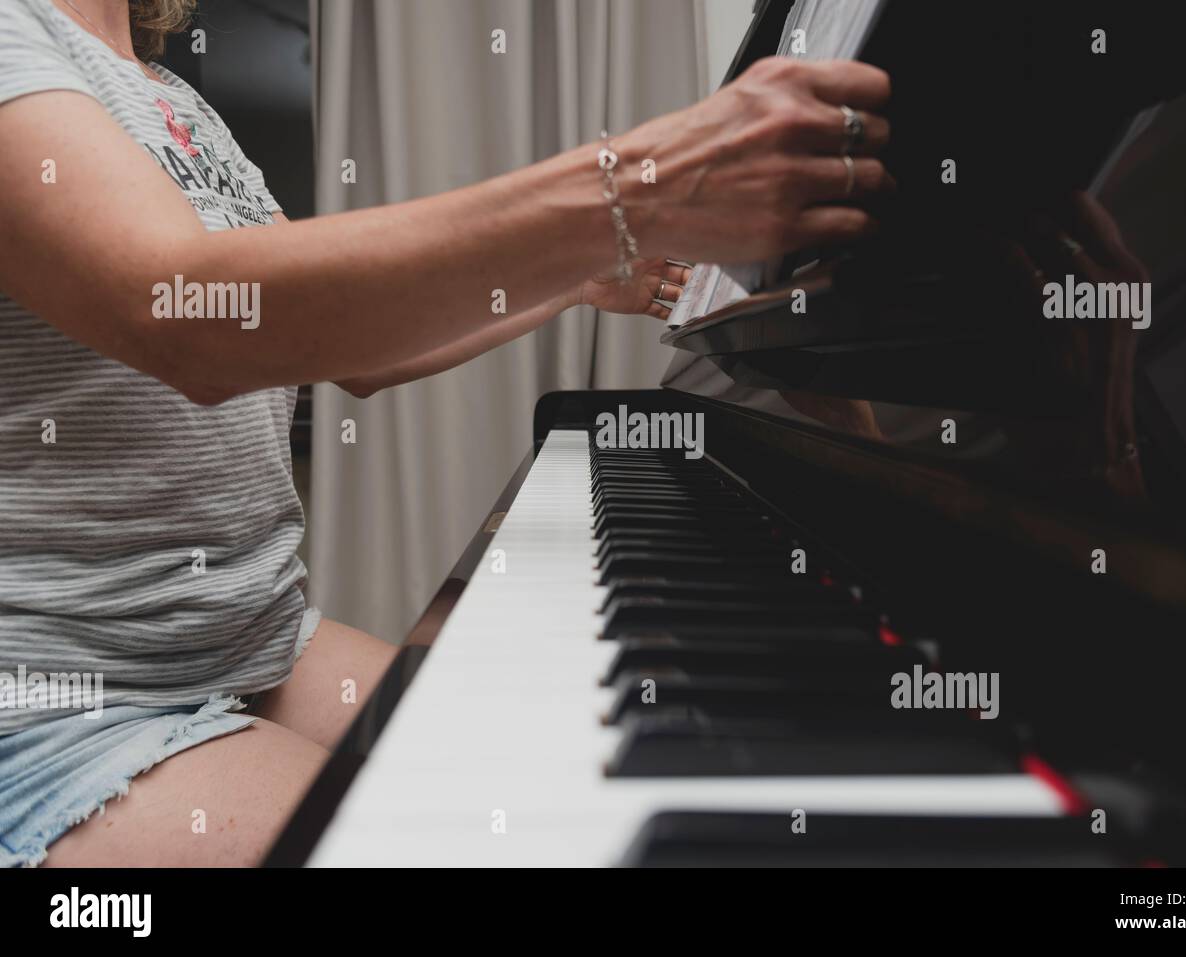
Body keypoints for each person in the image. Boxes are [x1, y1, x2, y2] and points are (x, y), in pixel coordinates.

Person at [0, 0, 893, 865]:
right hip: (61, 709)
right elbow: (187, 313)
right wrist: (629, 184)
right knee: (498, 840)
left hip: (253, 642)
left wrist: (578, 273)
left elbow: (344, 348)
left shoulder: (168, 94)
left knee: (560, 763)